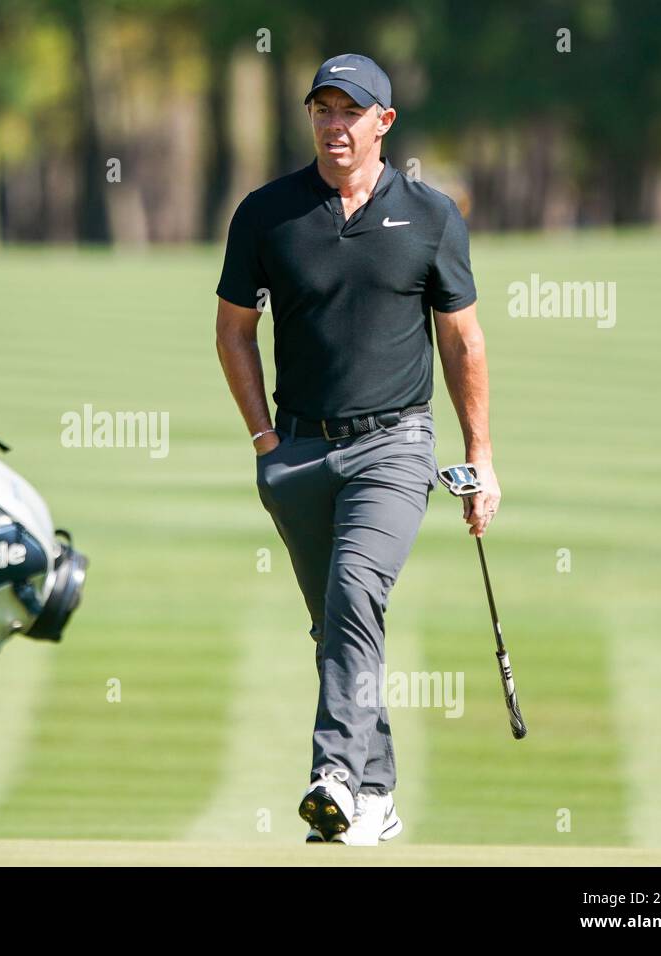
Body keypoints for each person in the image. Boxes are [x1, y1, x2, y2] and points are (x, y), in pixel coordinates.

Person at [214, 54, 501, 845]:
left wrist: (479, 456)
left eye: (351, 111)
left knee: (353, 595)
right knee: (338, 624)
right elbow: (234, 332)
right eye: (323, 110)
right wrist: (263, 439)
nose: (334, 125)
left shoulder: (433, 215)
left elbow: (463, 341)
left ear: (384, 123)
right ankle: (375, 795)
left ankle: (334, 773)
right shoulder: (266, 214)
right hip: (298, 451)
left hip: (395, 447)